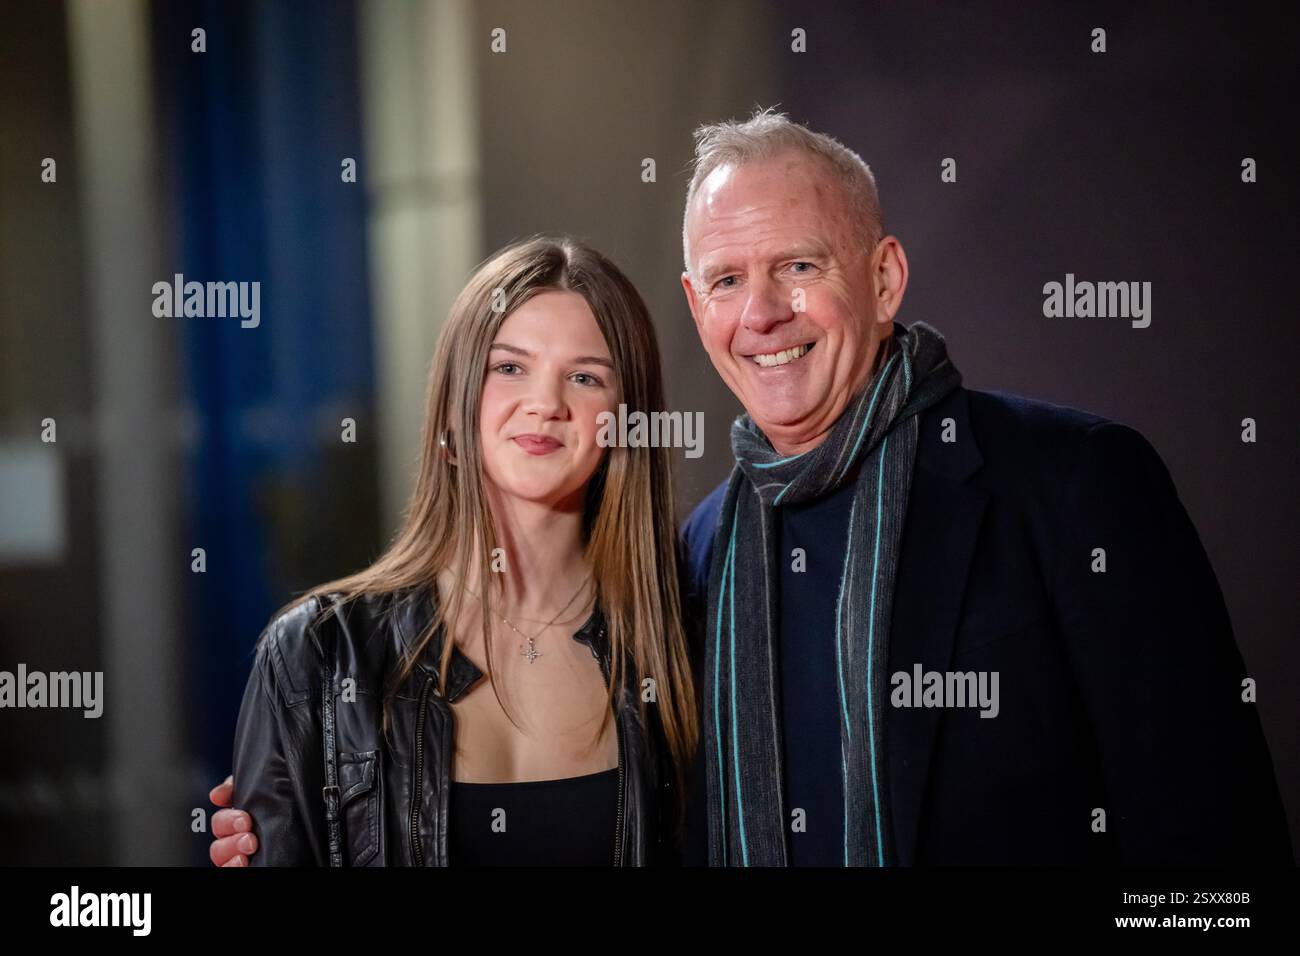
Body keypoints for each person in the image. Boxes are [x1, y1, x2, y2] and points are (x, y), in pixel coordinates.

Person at [214, 108, 1292, 867]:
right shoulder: (699, 563)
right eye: (728, 279)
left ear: (883, 277)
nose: (761, 312)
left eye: (799, 266)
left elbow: (1212, 845)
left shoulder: (1072, 484)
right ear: (696, 305)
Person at [218, 235, 697, 866]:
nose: (546, 404)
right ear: (453, 403)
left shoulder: (684, 636)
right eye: (510, 367)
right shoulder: (317, 653)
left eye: (584, 377)